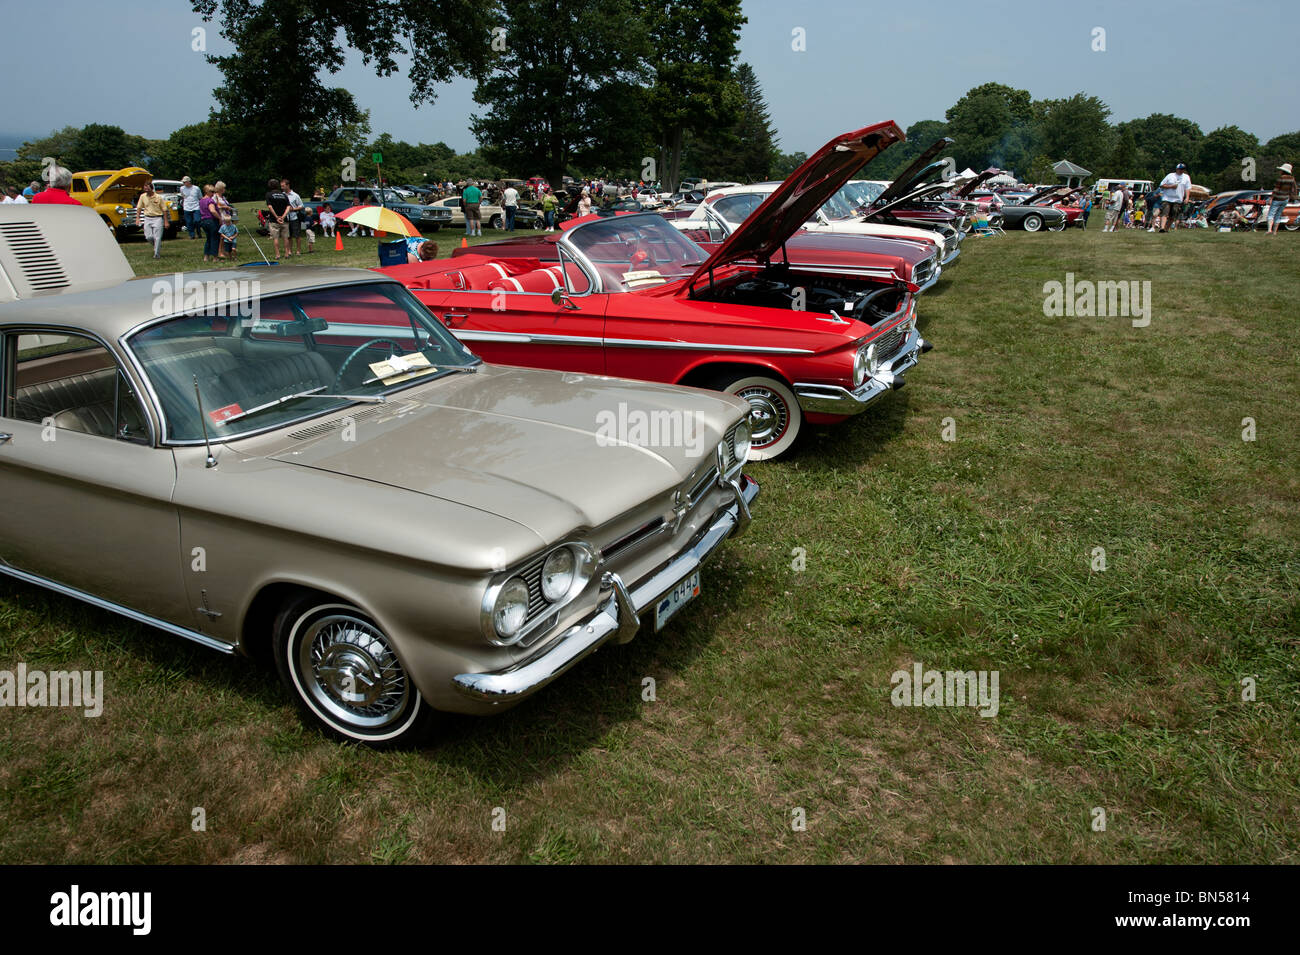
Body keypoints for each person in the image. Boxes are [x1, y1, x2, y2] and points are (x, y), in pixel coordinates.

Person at [135, 180, 168, 259]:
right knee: (148, 237)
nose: (146, 190)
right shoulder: (143, 196)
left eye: (147, 188)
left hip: (158, 218)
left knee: (158, 237)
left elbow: (164, 209)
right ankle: (157, 245)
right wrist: (137, 218)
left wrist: (166, 221)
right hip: (147, 218)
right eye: (145, 188)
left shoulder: (158, 197)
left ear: (151, 188)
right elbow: (139, 207)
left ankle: (156, 254)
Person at [1157, 163, 1189, 232]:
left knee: (1173, 215)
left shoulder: (1186, 177)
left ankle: (1166, 228)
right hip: (1167, 198)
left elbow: (1188, 188)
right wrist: (1171, 186)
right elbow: (1161, 185)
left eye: (1183, 169)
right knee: (1165, 213)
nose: (1181, 171)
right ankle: (1162, 228)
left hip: (1178, 199)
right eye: (1180, 169)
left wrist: (1187, 198)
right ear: (1176, 169)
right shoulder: (1170, 175)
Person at [1266, 163, 1297, 235]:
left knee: (1271, 214)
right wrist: (1292, 197)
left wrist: (1271, 198)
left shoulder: (1281, 178)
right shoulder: (1292, 179)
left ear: (1283, 171)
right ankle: (1275, 232)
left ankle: (1269, 229)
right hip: (1285, 199)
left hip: (1277, 199)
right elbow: (1294, 189)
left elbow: (1276, 189)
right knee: (1278, 215)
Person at [265, 177, 291, 258]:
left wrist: (276, 217)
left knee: (275, 238)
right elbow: (288, 207)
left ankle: (278, 254)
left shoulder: (268, 195)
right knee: (285, 237)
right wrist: (283, 217)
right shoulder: (284, 195)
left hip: (274, 220)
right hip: (284, 220)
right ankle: (287, 253)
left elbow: (270, 207)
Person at [282, 178, 304, 255]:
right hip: (286, 218)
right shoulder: (282, 195)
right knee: (288, 236)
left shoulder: (295, 195)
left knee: (297, 235)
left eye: (283, 186)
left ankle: (298, 250)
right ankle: (289, 251)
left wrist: (293, 209)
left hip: (294, 217)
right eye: (281, 186)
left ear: (288, 185)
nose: (282, 188)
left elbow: (301, 206)